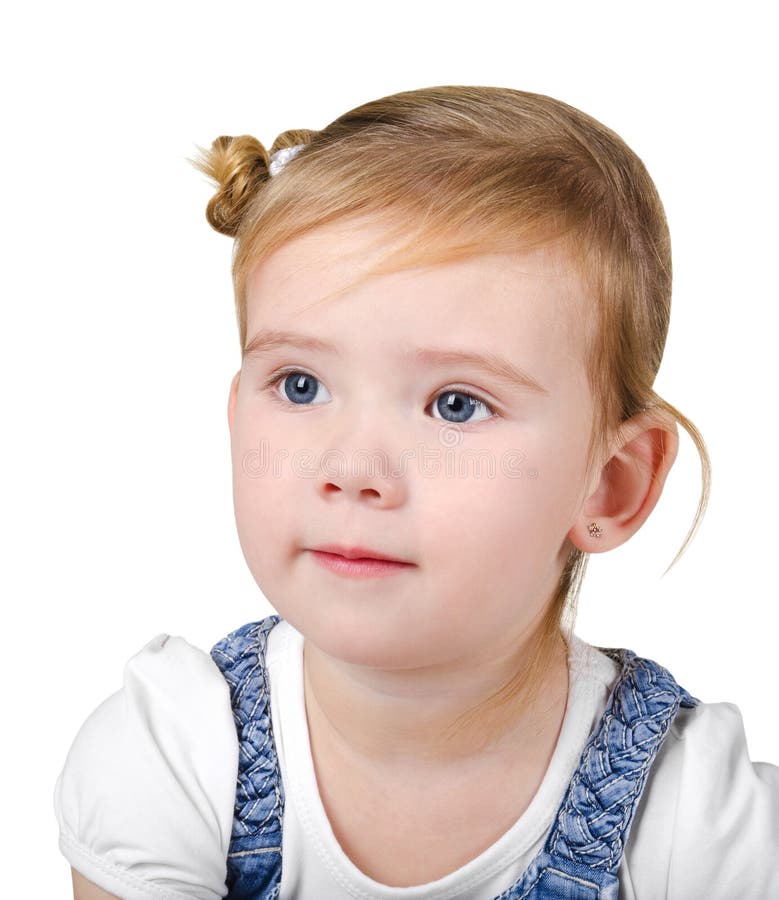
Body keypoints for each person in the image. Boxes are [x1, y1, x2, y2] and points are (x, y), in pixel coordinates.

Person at [54, 86, 779, 899]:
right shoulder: (170, 756)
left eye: (455, 404)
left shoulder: (698, 820)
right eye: (299, 385)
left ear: (608, 485)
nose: (352, 467)